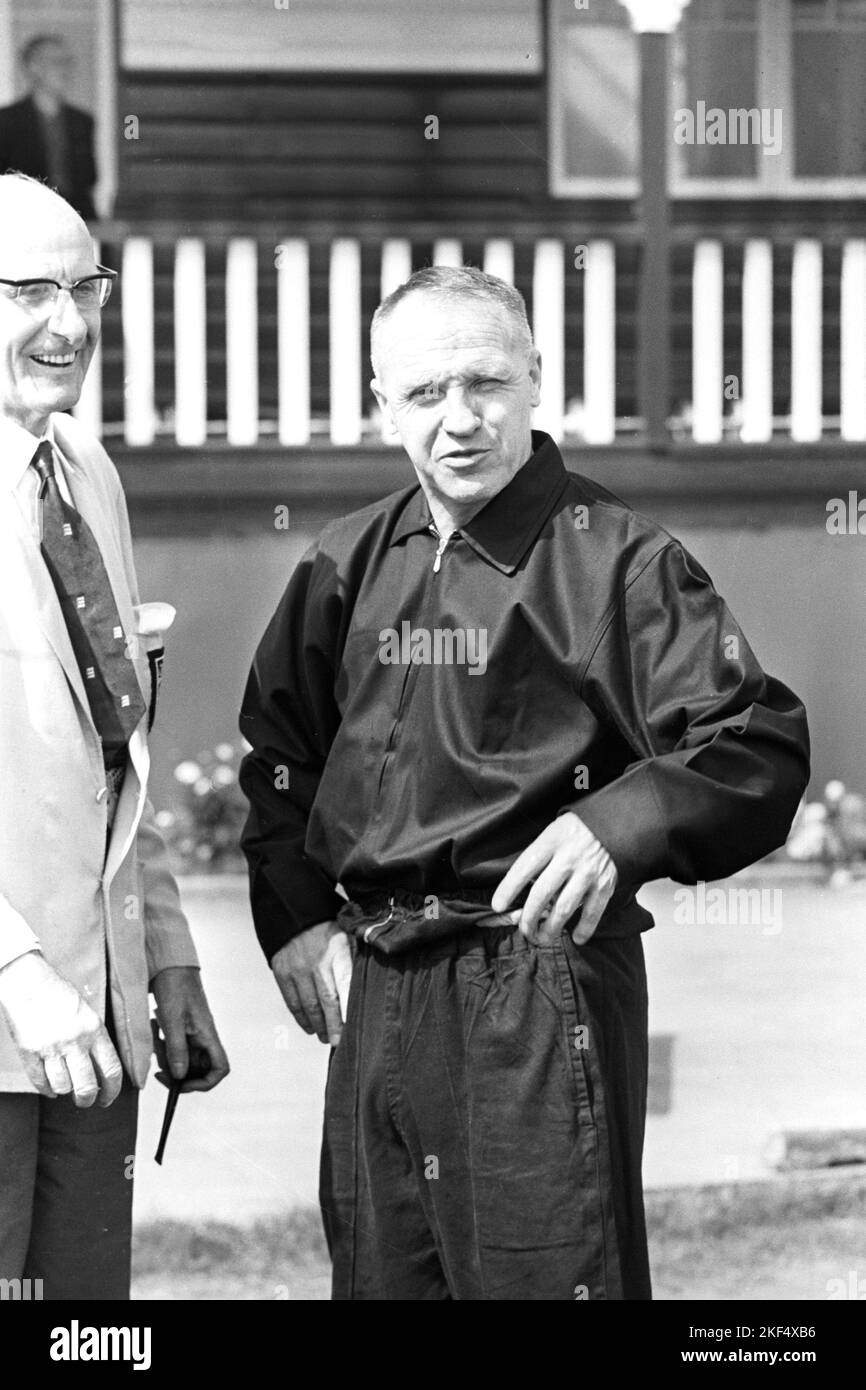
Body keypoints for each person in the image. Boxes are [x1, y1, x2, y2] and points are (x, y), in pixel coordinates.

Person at [239, 265, 810, 1301]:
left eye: (484, 383)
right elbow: (279, 754)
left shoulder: (618, 564)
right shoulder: (343, 563)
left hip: (535, 984)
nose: (457, 419)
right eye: (423, 394)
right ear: (383, 406)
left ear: (534, 378)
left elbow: (753, 742)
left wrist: (618, 824)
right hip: (379, 992)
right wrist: (291, 918)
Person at [0, 173, 229, 1300]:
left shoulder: (86, 473)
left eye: (84, 287)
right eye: (27, 291)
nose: (68, 323)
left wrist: (167, 954)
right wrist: (15, 972)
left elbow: (115, 749)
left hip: (92, 1022)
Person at [0, 36, 97, 221]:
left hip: (77, 219)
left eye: (67, 62)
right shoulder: (6, 121)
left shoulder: (82, 121)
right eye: (56, 62)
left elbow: (89, 178)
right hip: (24, 218)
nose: (65, 70)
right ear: (33, 67)